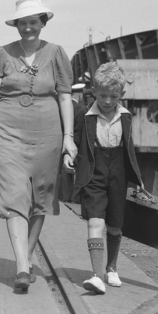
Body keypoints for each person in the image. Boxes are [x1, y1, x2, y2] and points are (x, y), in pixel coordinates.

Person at [0, 0, 77, 291]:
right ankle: (23, 267)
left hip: (48, 134)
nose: (27, 28)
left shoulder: (56, 53)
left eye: (32, 23)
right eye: (22, 23)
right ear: (17, 25)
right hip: (8, 132)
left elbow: (64, 98)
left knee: (40, 199)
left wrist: (68, 139)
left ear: (42, 23)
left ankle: (26, 256)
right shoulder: (3, 54)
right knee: (14, 197)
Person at [64, 62, 143, 294]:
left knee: (115, 225)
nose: (108, 101)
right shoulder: (84, 115)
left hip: (118, 172)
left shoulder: (126, 116)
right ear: (94, 92)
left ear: (122, 94)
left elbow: (129, 149)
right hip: (94, 173)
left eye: (113, 96)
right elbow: (76, 142)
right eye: (103, 95)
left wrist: (138, 179)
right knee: (95, 221)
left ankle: (112, 267)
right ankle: (97, 275)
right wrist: (69, 156)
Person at [59, 83, 87, 202]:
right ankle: (72, 198)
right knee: (71, 170)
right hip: (72, 142)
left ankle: (63, 195)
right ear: (80, 95)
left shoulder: (61, 107)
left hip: (60, 141)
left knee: (62, 169)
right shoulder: (80, 109)